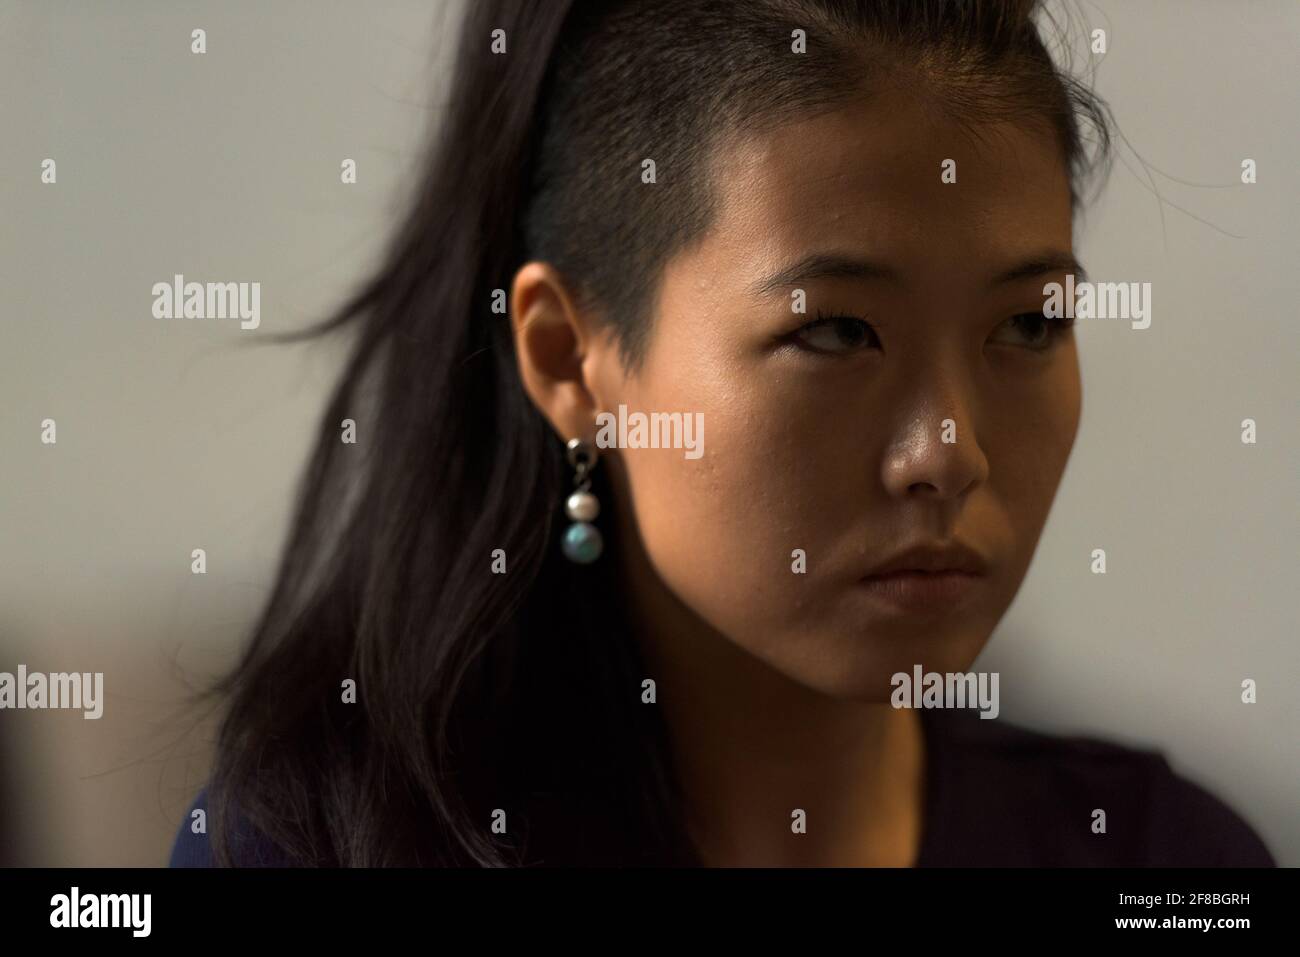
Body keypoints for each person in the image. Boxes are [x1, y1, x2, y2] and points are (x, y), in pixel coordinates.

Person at [171, 0, 1275, 867]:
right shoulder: (321, 850)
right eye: (837, 332)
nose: (948, 453)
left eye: (1029, 324)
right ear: (567, 357)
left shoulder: (1162, 856)